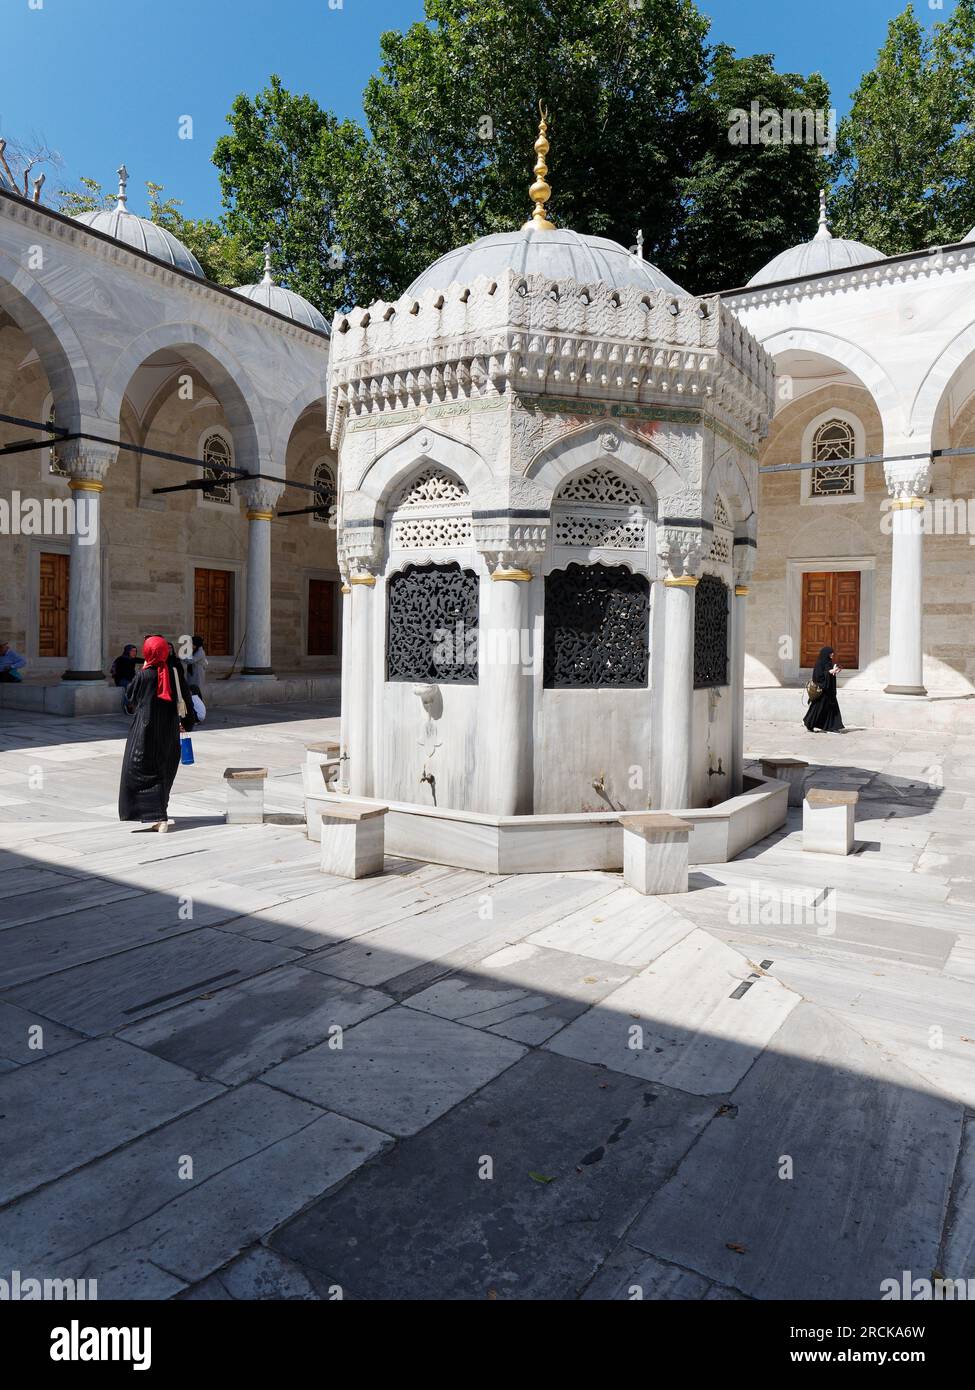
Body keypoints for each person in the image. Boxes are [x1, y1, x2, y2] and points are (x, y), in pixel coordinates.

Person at [118, 636, 195, 831]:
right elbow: (186, 699)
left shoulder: (144, 675)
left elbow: (129, 698)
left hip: (144, 734)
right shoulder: (174, 673)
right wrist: (187, 723)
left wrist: (143, 670)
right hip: (169, 732)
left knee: (137, 771)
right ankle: (161, 816)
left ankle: (158, 816)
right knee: (164, 771)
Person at [803, 645, 844, 733]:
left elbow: (829, 671)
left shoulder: (828, 662)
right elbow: (818, 677)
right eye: (830, 653)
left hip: (829, 691)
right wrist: (829, 672)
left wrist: (835, 670)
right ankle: (809, 723)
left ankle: (832, 726)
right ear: (826, 654)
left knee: (830, 709)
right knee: (817, 708)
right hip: (823, 690)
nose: (832, 654)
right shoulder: (819, 663)